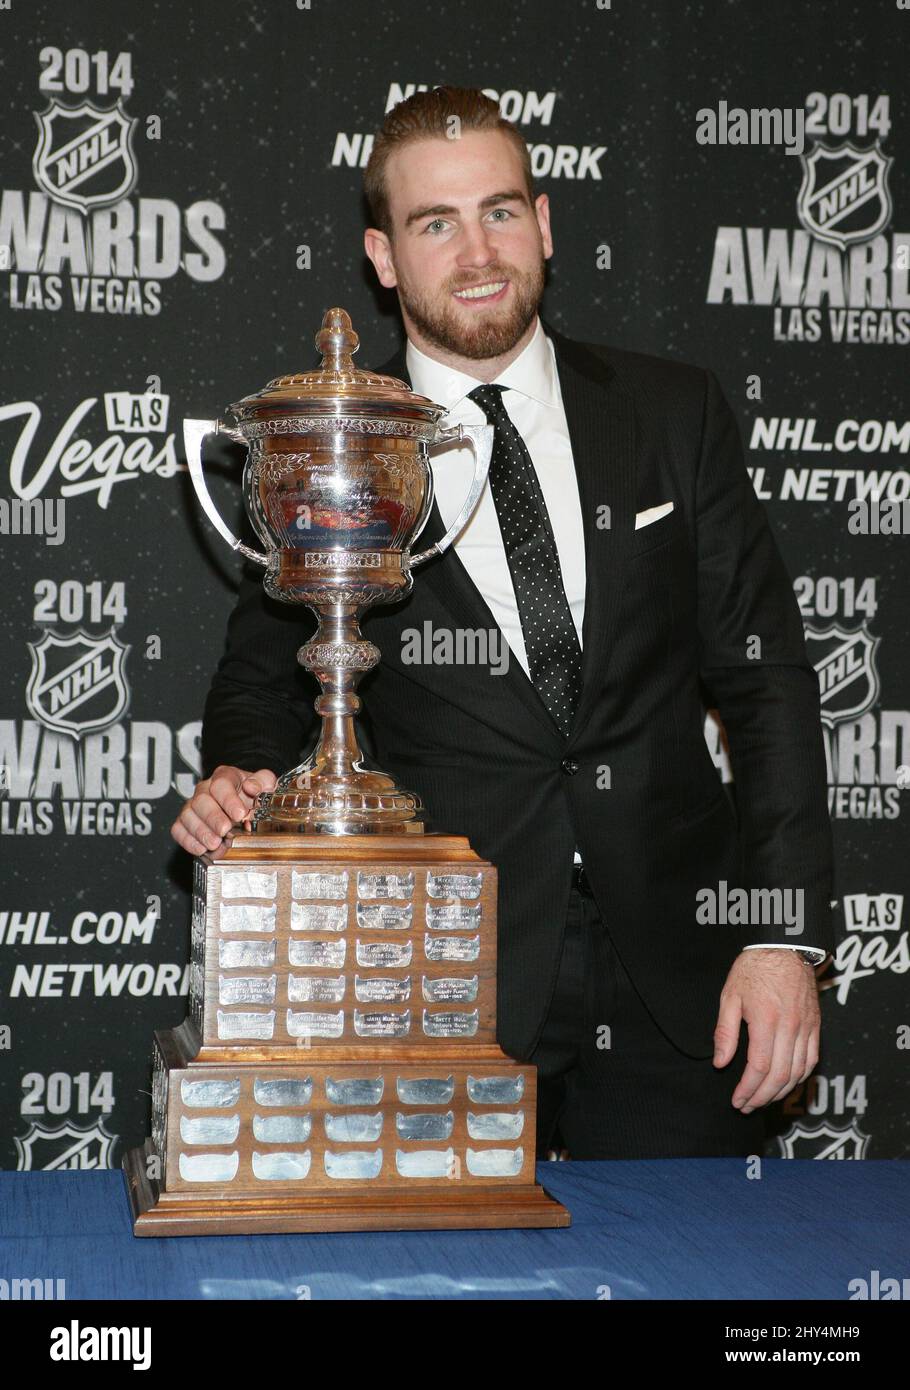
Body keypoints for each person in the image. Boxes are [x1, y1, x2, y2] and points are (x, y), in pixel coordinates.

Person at [172, 86, 835, 1160]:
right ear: (383, 258)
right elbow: (263, 681)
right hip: (437, 979)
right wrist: (242, 773)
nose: (476, 251)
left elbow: (765, 684)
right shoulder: (338, 444)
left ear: (546, 223)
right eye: (436, 223)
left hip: (684, 979)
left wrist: (782, 935)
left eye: (500, 211)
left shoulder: (674, 412)